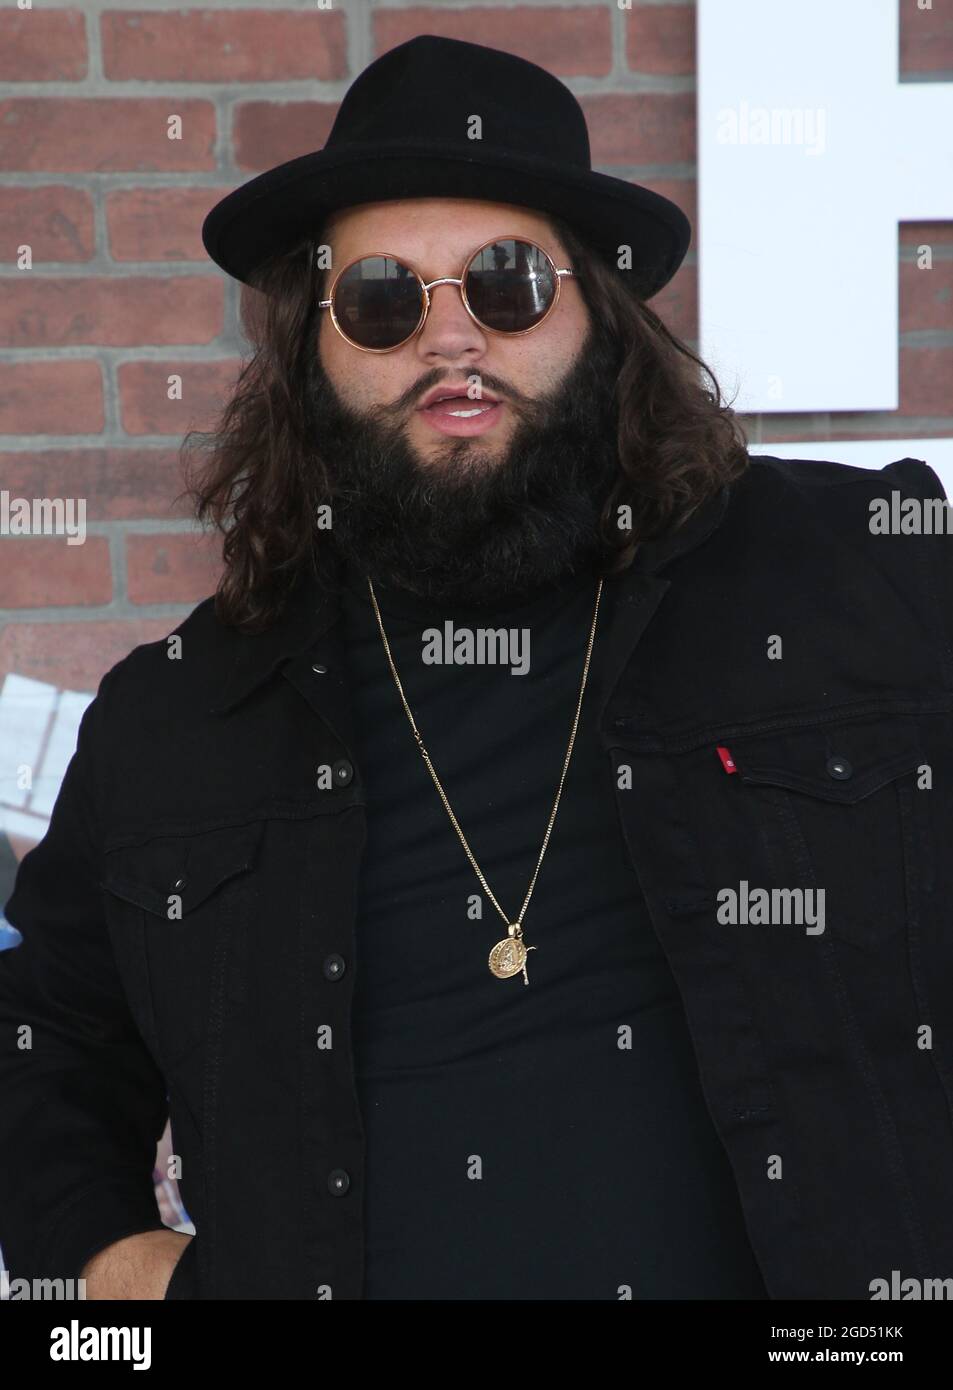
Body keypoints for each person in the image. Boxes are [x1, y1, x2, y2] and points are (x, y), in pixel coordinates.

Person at [1, 34, 952, 1302]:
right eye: (382, 297)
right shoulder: (179, 715)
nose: (450, 337)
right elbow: (40, 1047)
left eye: (505, 283)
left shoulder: (863, 574)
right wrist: (129, 1276)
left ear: (599, 314)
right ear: (312, 347)